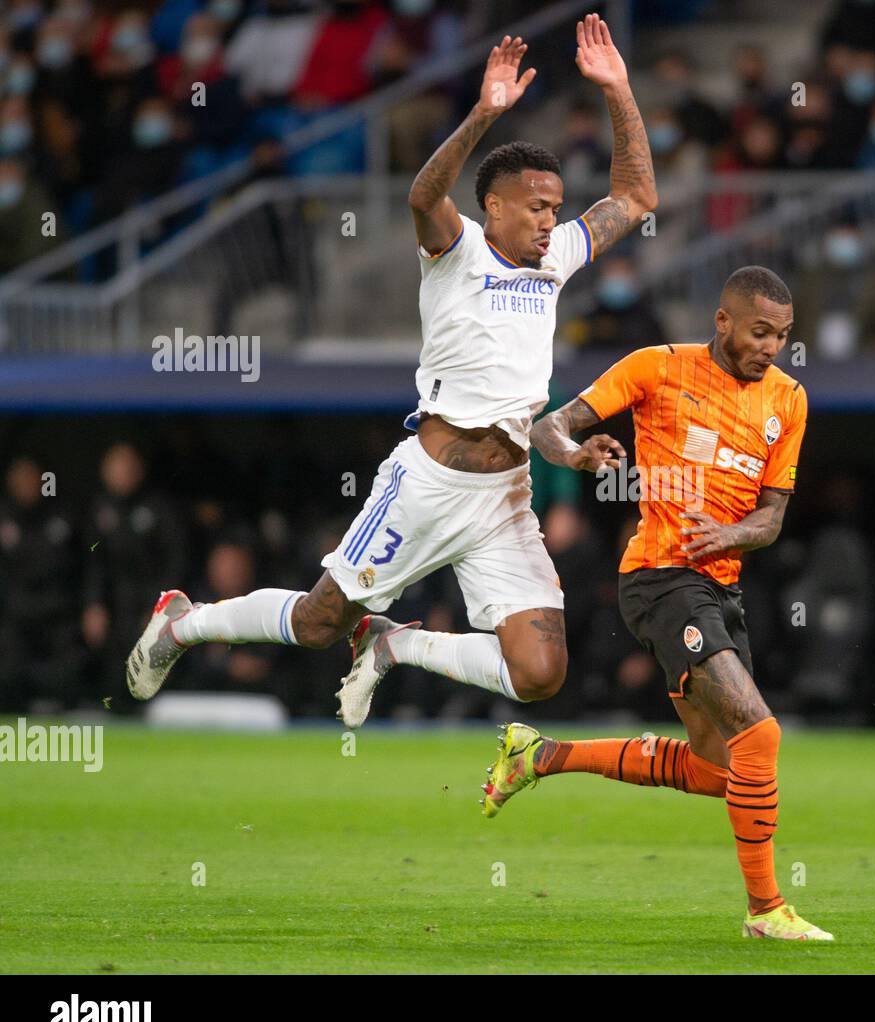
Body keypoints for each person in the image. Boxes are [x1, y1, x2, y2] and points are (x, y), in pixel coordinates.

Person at [125, 16, 657, 726]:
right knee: (319, 623)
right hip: (428, 486)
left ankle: (397, 648)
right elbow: (419, 196)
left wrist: (619, 90)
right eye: (536, 207)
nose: (547, 221)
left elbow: (636, 199)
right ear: (492, 205)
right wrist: (482, 114)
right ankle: (182, 622)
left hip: (504, 497)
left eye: (554, 209)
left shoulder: (555, 258)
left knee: (539, 674)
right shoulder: (456, 248)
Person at [484, 266, 832, 942]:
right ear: (724, 321)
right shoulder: (657, 367)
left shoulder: (790, 400)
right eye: (761, 331)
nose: (772, 347)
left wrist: (732, 534)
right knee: (760, 735)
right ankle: (766, 912)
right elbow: (550, 427)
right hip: (660, 578)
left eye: (784, 336)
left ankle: (541, 756)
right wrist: (578, 456)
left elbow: (773, 518)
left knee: (718, 771)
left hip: (721, 586)